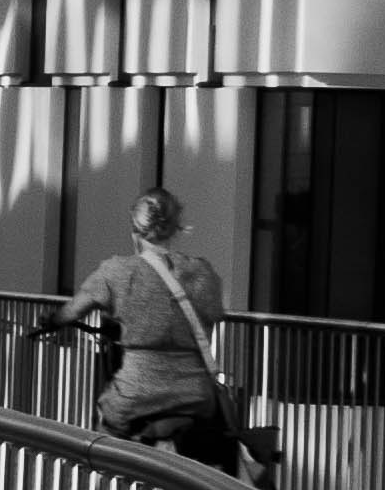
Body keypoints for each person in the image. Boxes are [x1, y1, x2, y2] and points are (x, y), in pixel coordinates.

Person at [49, 186, 252, 473]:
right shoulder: (202, 272)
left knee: (105, 437)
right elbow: (213, 313)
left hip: (136, 393)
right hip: (196, 395)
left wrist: (53, 321)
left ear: (135, 230)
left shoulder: (117, 271)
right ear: (175, 229)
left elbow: (72, 310)